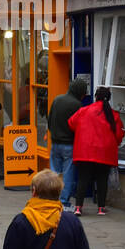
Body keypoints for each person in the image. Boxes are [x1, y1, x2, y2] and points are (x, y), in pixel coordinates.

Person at [67, 85, 124, 215]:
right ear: (108, 99)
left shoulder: (84, 110)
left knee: (83, 179)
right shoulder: (113, 114)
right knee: (102, 179)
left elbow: (71, 123)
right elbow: (119, 134)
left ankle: (78, 207)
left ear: (95, 97)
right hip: (104, 152)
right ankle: (101, 208)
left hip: (85, 150)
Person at [48, 77, 88, 207]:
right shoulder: (77, 105)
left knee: (54, 174)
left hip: (55, 143)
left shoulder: (57, 100)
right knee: (67, 175)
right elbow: (80, 127)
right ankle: (63, 202)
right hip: (69, 144)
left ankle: (52, 199)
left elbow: (49, 121)